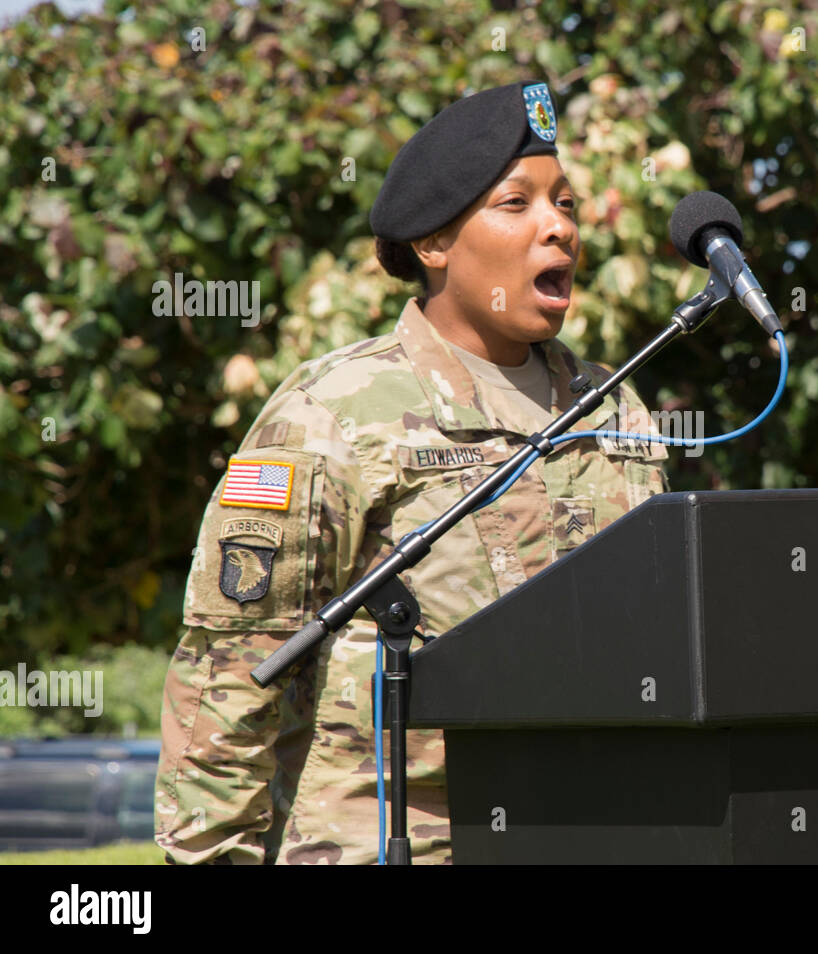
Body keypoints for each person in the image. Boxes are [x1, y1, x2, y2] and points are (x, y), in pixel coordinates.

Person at [154, 79, 671, 864]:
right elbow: (232, 673)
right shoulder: (334, 409)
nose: (558, 227)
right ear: (434, 244)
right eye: (517, 203)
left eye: (564, 203)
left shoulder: (615, 405)